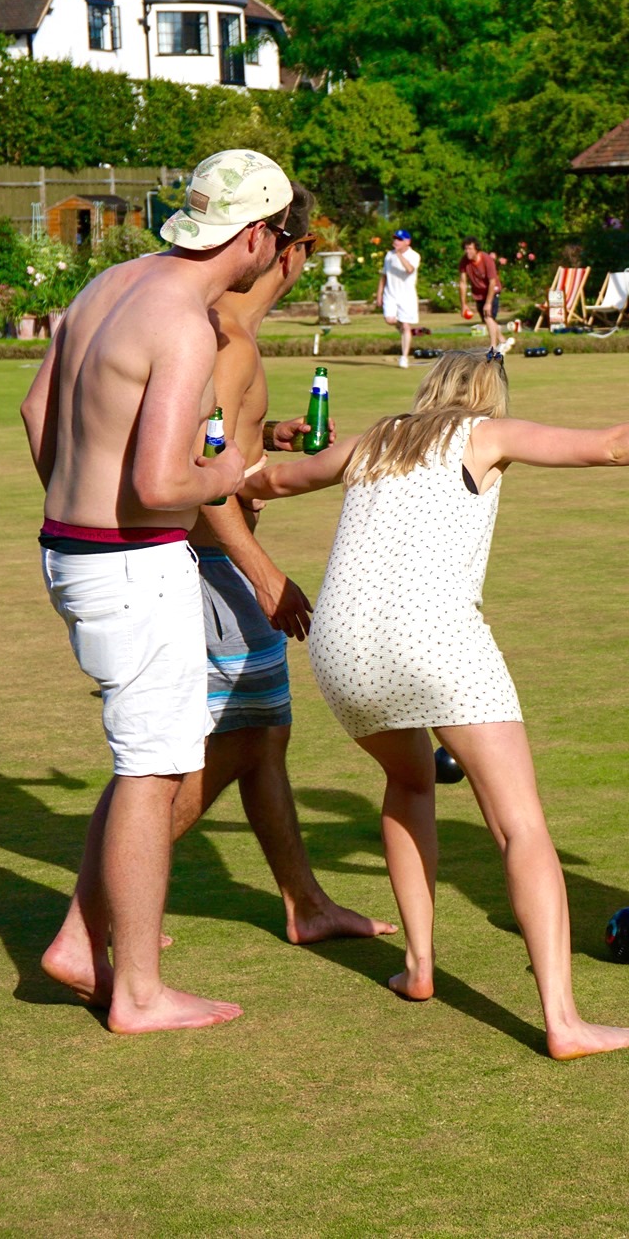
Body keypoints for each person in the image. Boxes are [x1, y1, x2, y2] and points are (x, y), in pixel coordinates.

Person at [239, 352, 629, 1058]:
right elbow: (609, 445)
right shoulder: (484, 434)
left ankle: (419, 967)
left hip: (339, 644)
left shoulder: (374, 438)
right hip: (433, 635)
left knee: (409, 779)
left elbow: (267, 478)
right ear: (485, 398)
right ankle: (563, 1021)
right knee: (520, 826)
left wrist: (226, 471)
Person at [40, 182, 397, 991]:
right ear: (282, 247)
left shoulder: (146, 298)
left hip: (130, 553)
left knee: (262, 733)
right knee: (201, 751)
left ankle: (303, 899)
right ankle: (88, 924)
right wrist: (261, 567)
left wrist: (258, 442)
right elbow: (197, 481)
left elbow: (55, 420)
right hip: (193, 561)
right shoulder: (214, 332)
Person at [19, 148, 286, 1033]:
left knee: (143, 758)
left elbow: (34, 412)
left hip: (73, 548)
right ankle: (136, 990)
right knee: (154, 769)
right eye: (278, 237)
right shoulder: (185, 322)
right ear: (252, 236)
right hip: (130, 563)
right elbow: (165, 483)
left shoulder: (111, 281)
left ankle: (79, 944)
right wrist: (230, 471)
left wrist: (76, 499)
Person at [376, 229, 422, 367]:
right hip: (390, 294)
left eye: (399, 239)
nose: (396, 241)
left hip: (407, 296)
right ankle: (404, 329)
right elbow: (383, 276)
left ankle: (404, 357)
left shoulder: (414, 255)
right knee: (390, 320)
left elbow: (409, 269)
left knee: (406, 324)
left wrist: (399, 255)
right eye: (395, 239)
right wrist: (379, 294)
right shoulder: (388, 255)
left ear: (407, 242)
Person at [457, 237, 504, 351]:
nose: (467, 251)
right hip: (478, 293)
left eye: (470, 248)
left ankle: (493, 347)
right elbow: (463, 283)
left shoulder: (487, 260)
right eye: (466, 248)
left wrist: (488, 303)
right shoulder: (464, 261)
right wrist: (464, 304)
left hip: (492, 291)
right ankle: (503, 341)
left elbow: (492, 282)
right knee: (488, 320)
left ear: (476, 249)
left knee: (488, 317)